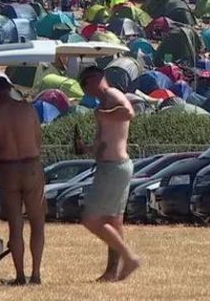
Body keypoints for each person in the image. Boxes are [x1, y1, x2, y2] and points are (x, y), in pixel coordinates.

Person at [0, 75, 45, 286]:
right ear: (10, 89)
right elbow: (37, 140)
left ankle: (20, 275)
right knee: (37, 223)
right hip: (31, 165)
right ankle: (36, 274)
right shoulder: (28, 109)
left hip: (8, 167)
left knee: (16, 225)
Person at [79, 66, 141, 282]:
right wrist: (86, 148)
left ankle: (129, 258)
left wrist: (102, 114)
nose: (86, 91)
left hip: (114, 167)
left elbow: (128, 113)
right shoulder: (104, 101)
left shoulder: (112, 95)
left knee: (90, 219)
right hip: (115, 165)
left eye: (84, 85)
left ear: (95, 78)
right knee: (113, 222)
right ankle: (113, 271)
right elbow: (104, 140)